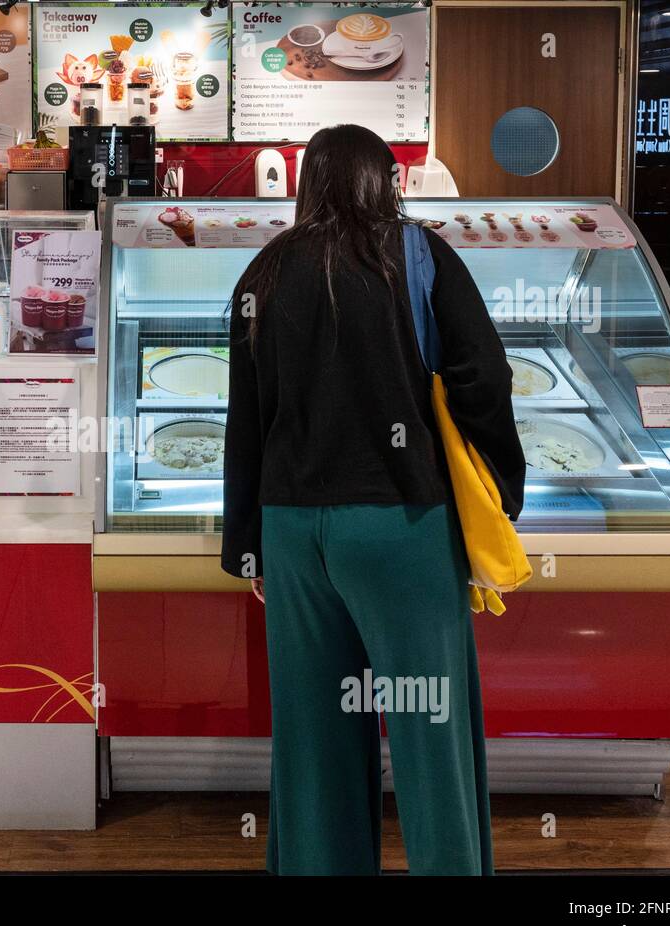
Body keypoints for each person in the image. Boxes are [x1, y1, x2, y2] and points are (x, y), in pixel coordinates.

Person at [221, 124, 525, 875]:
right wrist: (502, 490)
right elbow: (485, 380)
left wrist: (248, 546)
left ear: (308, 184)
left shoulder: (264, 272)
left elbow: (246, 420)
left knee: (314, 740)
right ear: (385, 181)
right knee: (431, 735)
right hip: (402, 527)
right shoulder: (420, 257)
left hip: (295, 536)